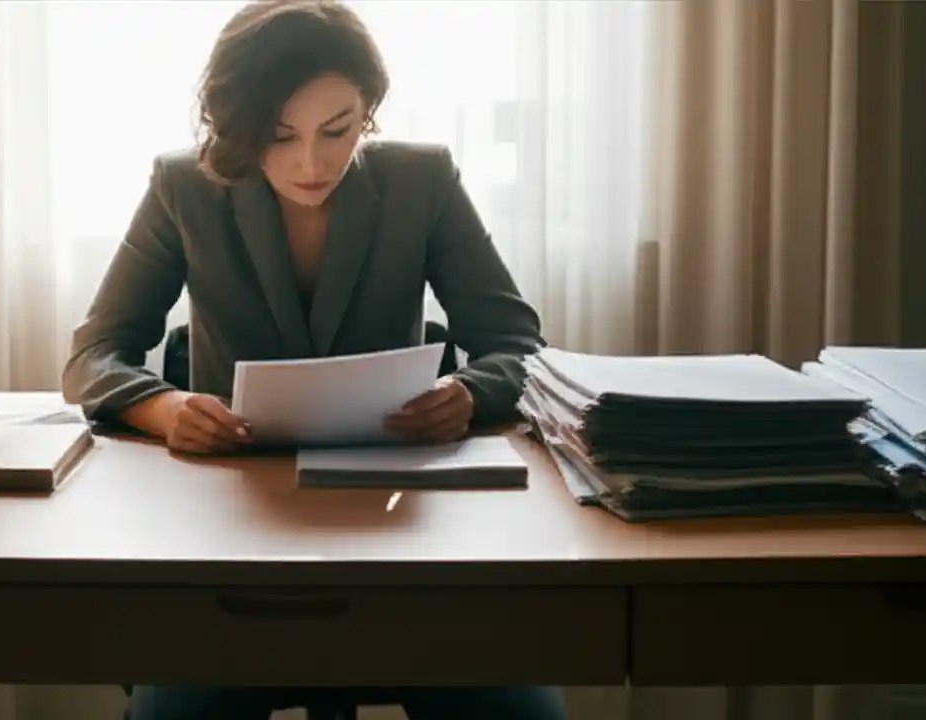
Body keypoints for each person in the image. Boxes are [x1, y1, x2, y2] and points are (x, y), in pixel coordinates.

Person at [62, 1, 561, 718]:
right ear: (237, 126)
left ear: (370, 110)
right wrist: (166, 409)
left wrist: (469, 393)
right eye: (279, 134)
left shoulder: (422, 181)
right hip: (228, 536)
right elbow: (92, 355)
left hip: (407, 535)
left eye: (339, 129)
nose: (311, 162)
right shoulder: (184, 187)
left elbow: (517, 344)